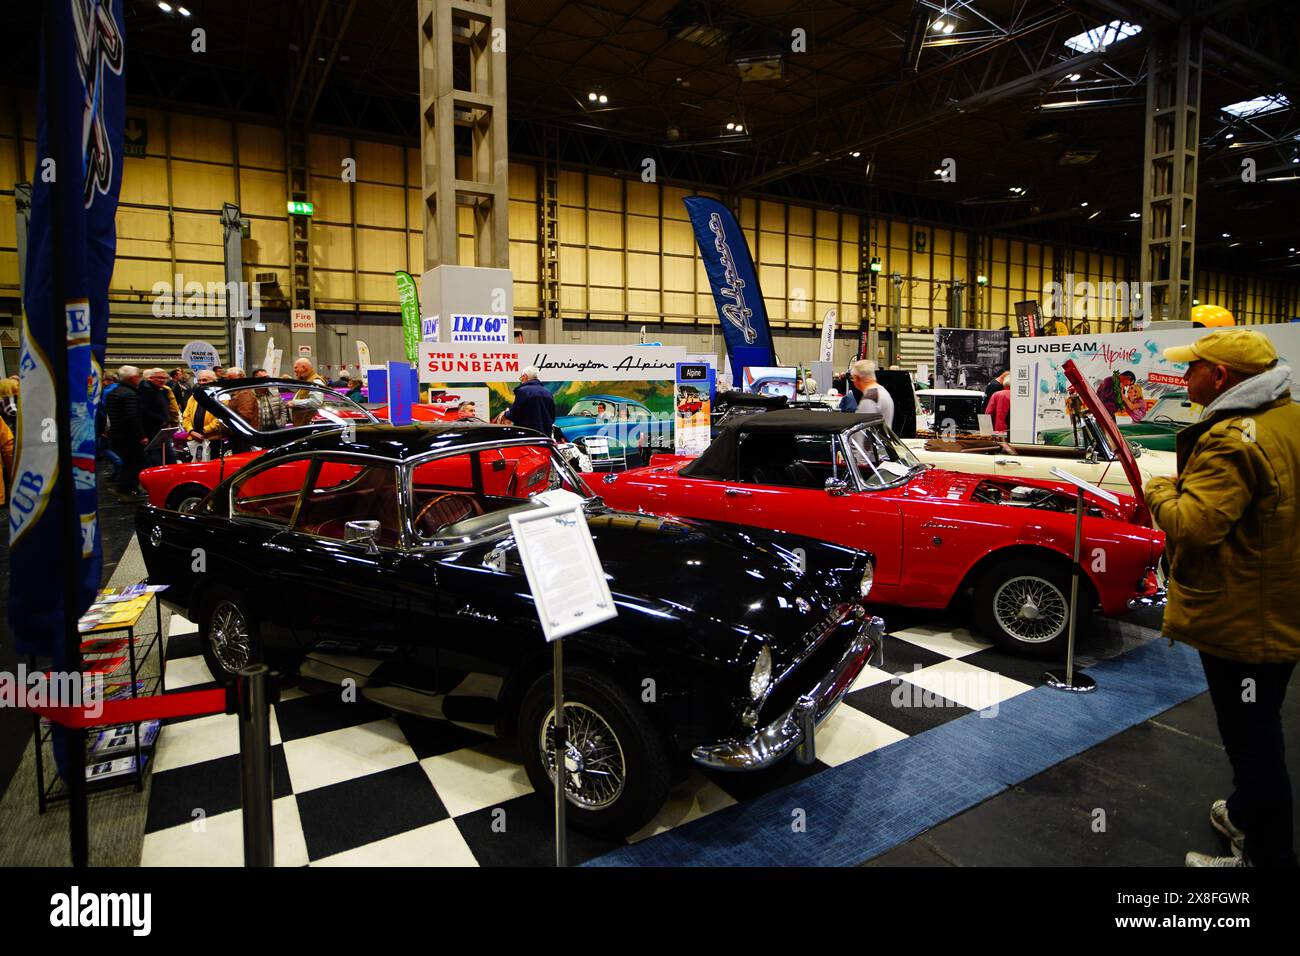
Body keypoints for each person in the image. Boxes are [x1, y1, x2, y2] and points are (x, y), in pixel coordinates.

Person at [1144, 328, 1300, 868]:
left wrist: (1160, 487)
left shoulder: (1232, 437)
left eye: (1193, 368)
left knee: (1253, 743)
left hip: (1244, 620)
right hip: (1281, 604)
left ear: (1221, 377)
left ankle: (1264, 857)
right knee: (1261, 724)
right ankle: (1242, 813)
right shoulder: (1291, 418)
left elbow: (1194, 526)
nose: (1184, 377)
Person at [105, 365, 149, 499]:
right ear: (132, 378)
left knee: (129, 462)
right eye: (137, 376)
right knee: (137, 462)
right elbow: (132, 417)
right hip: (129, 436)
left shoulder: (114, 392)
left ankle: (126, 488)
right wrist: (142, 435)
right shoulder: (130, 394)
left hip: (117, 433)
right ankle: (127, 489)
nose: (139, 378)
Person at [839, 359, 895, 428]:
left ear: (857, 378)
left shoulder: (870, 398)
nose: (853, 382)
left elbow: (860, 432)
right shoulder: (882, 391)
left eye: (853, 378)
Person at [500, 366, 555, 436]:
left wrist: (506, 413)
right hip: (545, 436)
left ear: (525, 376)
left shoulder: (523, 391)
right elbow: (552, 417)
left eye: (521, 378)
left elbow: (513, 415)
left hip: (528, 436)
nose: (521, 381)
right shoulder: (548, 392)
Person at [182, 369, 223, 461]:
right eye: (199, 380)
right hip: (194, 438)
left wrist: (204, 432)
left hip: (212, 439)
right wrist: (191, 431)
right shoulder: (193, 397)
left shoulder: (220, 397)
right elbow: (186, 416)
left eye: (205, 380)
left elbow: (221, 418)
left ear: (214, 381)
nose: (201, 382)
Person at [138, 368, 173, 467]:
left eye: (164, 378)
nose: (162, 380)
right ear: (151, 378)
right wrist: (161, 420)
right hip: (151, 432)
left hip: (162, 430)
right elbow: (143, 410)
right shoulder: (145, 390)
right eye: (159, 378)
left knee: (169, 458)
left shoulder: (161, 390)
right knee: (155, 460)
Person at [288, 358, 327, 426]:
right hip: (302, 422)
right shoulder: (307, 381)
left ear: (304, 367)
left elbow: (316, 402)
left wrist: (294, 403)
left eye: (296, 367)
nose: (294, 370)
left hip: (306, 423)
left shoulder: (315, 381)